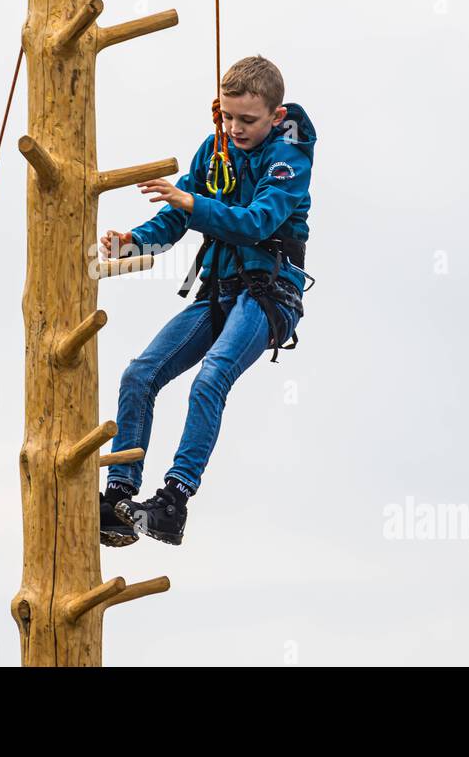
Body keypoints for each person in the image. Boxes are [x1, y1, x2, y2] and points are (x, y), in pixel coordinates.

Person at [98, 55, 316, 547]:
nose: (236, 129)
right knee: (139, 375)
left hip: (269, 294)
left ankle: (173, 501)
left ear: (276, 118)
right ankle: (119, 495)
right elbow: (175, 221)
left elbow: (257, 222)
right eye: (228, 117)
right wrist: (134, 241)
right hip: (220, 292)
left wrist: (191, 203)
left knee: (211, 377)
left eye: (248, 120)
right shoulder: (214, 150)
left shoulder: (289, 157)